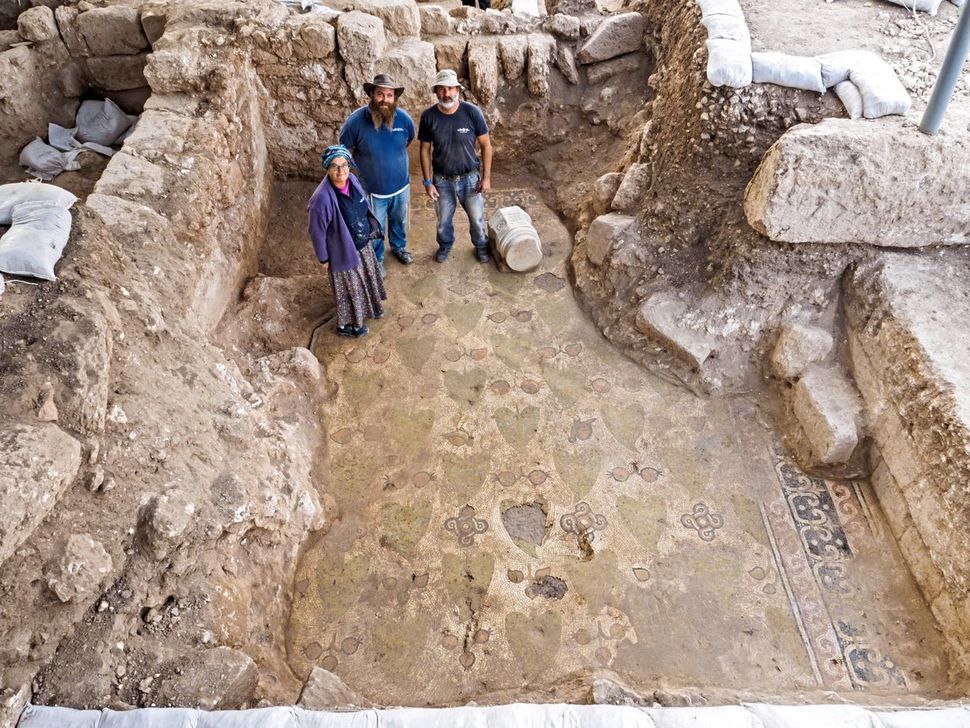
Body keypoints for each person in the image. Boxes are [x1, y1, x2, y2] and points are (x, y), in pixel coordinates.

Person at [308, 145, 387, 338]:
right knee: (351, 290)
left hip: (362, 246)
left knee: (365, 281)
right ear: (327, 168)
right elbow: (316, 231)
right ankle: (348, 326)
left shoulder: (351, 180)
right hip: (343, 251)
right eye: (335, 166)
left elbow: (364, 203)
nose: (341, 171)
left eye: (344, 165)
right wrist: (324, 258)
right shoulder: (321, 199)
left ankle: (373, 308)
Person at [339, 73, 416, 269]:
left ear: (394, 98)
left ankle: (399, 248)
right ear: (372, 94)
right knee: (375, 228)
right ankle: (377, 260)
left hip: (401, 187)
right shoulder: (355, 122)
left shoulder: (404, 120)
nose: (385, 100)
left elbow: (408, 142)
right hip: (372, 192)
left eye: (389, 95)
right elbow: (345, 153)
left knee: (399, 221)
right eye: (380, 94)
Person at [418, 69, 493, 264]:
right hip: (442, 180)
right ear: (436, 92)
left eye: (450, 88)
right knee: (443, 221)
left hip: (470, 179)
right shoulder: (428, 116)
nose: (446, 94)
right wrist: (428, 182)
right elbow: (424, 150)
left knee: (477, 219)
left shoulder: (471, 112)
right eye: (442, 89)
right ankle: (445, 245)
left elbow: (486, 145)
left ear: (458, 89)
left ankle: (481, 246)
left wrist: (486, 178)